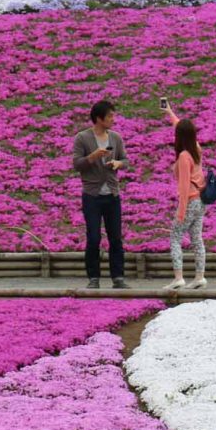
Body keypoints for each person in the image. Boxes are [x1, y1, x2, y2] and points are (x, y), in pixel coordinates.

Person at [72, 99, 129, 290]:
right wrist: (93, 156)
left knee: (115, 237)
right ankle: (93, 277)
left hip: (112, 194)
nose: (113, 119)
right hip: (92, 195)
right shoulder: (82, 138)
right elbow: (77, 164)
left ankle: (118, 277)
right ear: (99, 118)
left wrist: (118, 164)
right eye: (110, 116)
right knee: (94, 237)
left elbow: (125, 160)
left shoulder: (116, 138)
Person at [162, 104, 208, 291]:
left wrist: (180, 212)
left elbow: (183, 186)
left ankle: (178, 277)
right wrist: (170, 112)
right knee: (197, 239)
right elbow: (181, 126)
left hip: (189, 201)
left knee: (175, 237)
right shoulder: (196, 148)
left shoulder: (183, 156)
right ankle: (200, 277)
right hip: (201, 201)